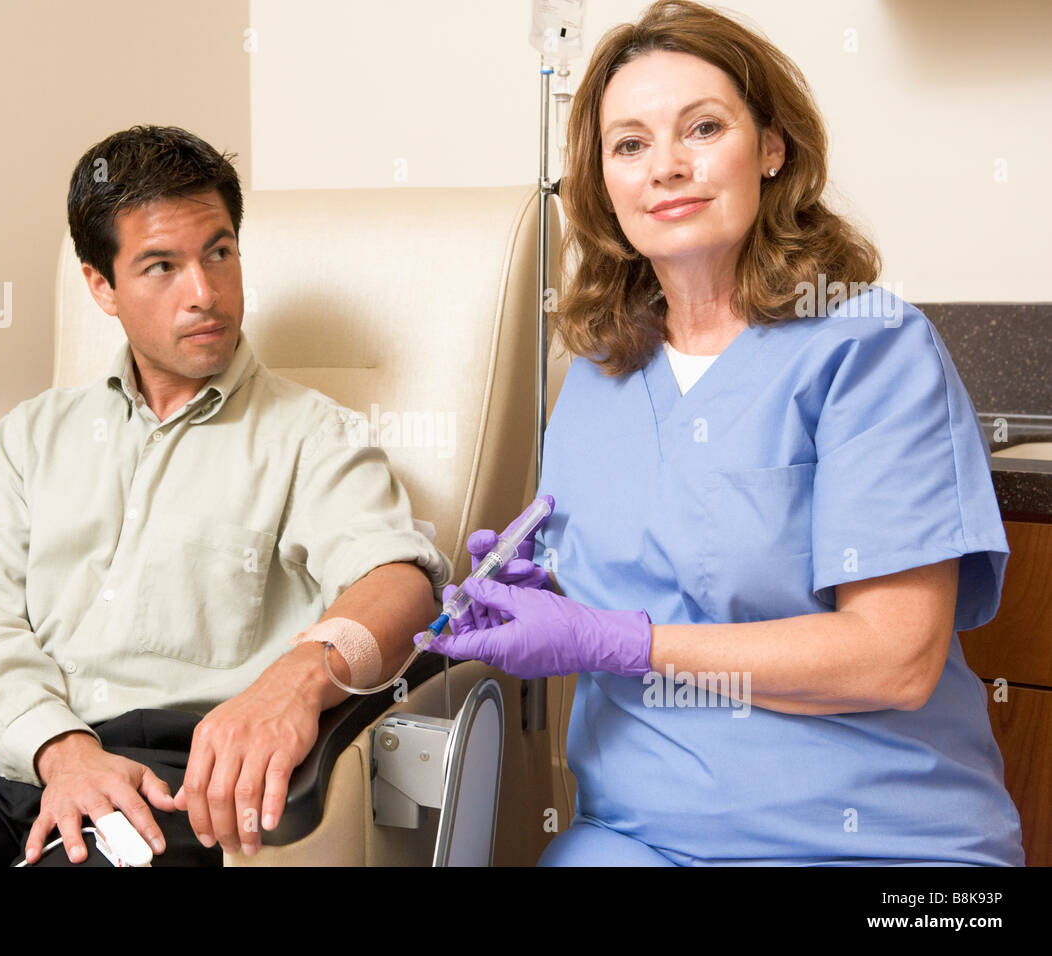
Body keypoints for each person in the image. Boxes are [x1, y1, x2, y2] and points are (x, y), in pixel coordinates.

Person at [424, 0, 1024, 866]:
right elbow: (660, 568)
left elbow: (892, 660)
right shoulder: (596, 375)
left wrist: (616, 641)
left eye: (702, 128)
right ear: (603, 183)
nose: (667, 166)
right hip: (639, 838)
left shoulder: (870, 351)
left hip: (881, 841)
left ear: (772, 147)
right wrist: (544, 593)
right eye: (630, 145)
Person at [0, 125, 450, 866]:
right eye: (162, 266)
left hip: (169, 774)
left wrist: (298, 680)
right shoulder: (37, 432)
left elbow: (399, 583)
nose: (205, 293)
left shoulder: (315, 436)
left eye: (219, 253)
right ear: (101, 285)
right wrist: (60, 747)